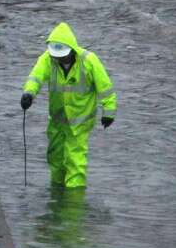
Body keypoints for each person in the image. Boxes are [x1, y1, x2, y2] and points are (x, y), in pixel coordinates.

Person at [20, 22, 117, 188]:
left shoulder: (89, 61)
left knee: (75, 161)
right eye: (56, 56)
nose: (58, 58)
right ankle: (57, 191)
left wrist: (109, 112)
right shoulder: (48, 59)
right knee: (55, 158)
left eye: (62, 56)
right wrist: (29, 93)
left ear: (72, 50)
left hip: (80, 123)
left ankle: (73, 202)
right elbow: (36, 76)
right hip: (57, 120)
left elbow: (105, 88)